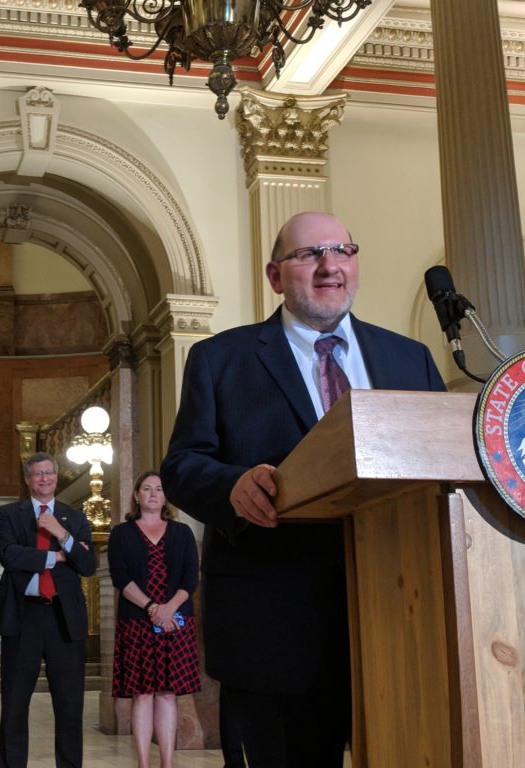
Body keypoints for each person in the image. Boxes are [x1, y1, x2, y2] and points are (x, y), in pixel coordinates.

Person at [160, 212, 446, 768]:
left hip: (400, 612)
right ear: (275, 275)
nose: (329, 265)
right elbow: (183, 465)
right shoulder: (221, 359)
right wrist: (232, 485)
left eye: (342, 250)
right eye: (310, 254)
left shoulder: (410, 359)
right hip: (273, 623)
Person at [0, 451, 97, 768]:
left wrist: (60, 533)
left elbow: (89, 565)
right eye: (38, 474)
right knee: (15, 701)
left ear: (57, 476)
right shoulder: (9, 514)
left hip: (64, 618)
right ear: (28, 479)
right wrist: (61, 556)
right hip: (23, 615)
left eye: (49, 472)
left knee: (69, 703)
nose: (45, 478)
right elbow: (10, 555)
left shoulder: (74, 518)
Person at [107, 470, 200, 768]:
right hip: (137, 622)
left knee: (168, 695)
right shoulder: (121, 533)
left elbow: (190, 577)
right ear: (136, 495)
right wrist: (152, 608)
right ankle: (144, 763)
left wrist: (169, 608)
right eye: (146, 489)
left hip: (176, 622)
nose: (152, 494)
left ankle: (167, 763)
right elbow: (121, 577)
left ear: (165, 496)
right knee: (142, 695)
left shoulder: (182, 532)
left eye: (158, 489)